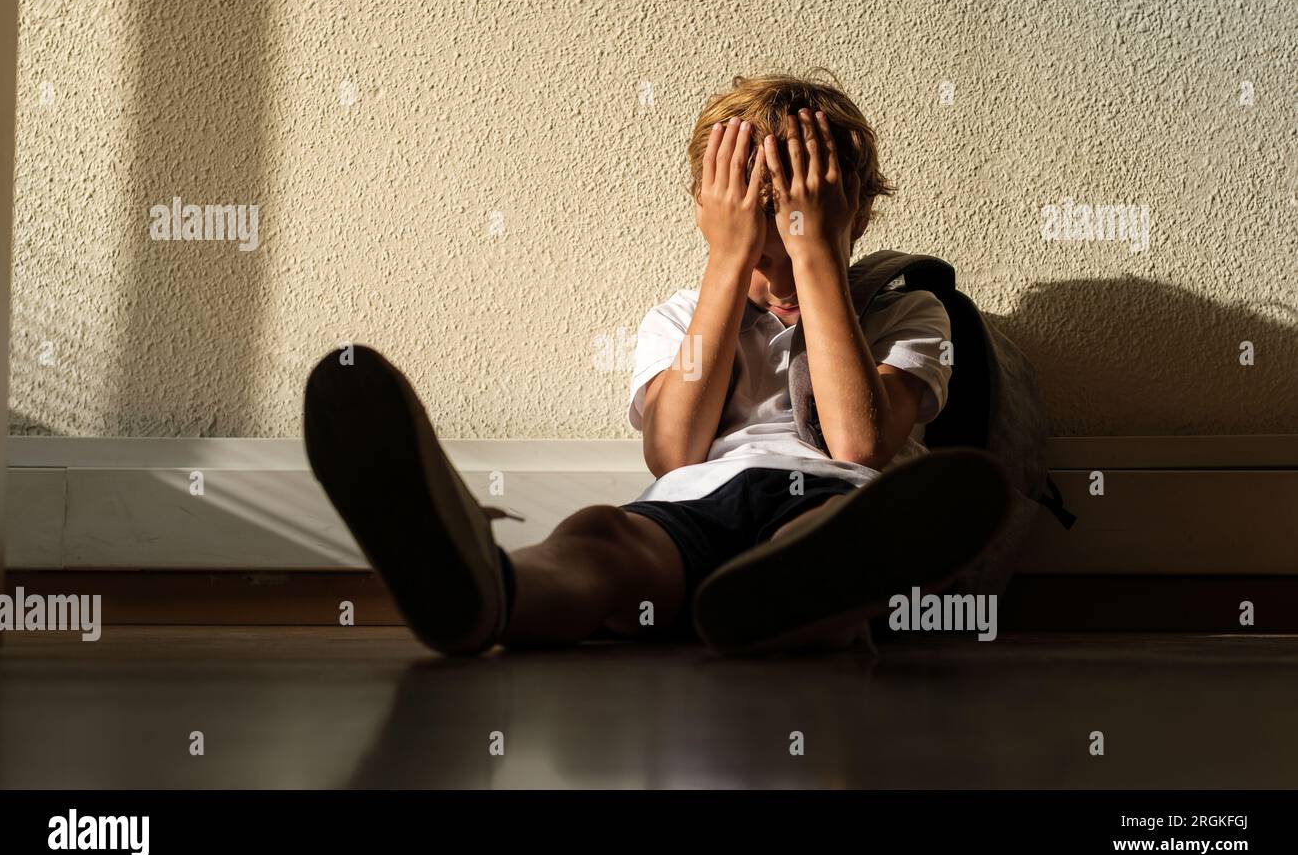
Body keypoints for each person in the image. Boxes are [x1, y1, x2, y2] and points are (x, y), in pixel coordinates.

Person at [303, 71, 1010, 658]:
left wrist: (816, 254)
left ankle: (786, 606)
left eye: (794, 252)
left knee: (817, 540)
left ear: (853, 219)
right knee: (599, 536)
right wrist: (728, 262)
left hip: (836, 501)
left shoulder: (907, 311)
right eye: (760, 257)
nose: (781, 277)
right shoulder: (683, 316)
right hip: (694, 505)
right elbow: (672, 453)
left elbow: (860, 442)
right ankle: (489, 591)